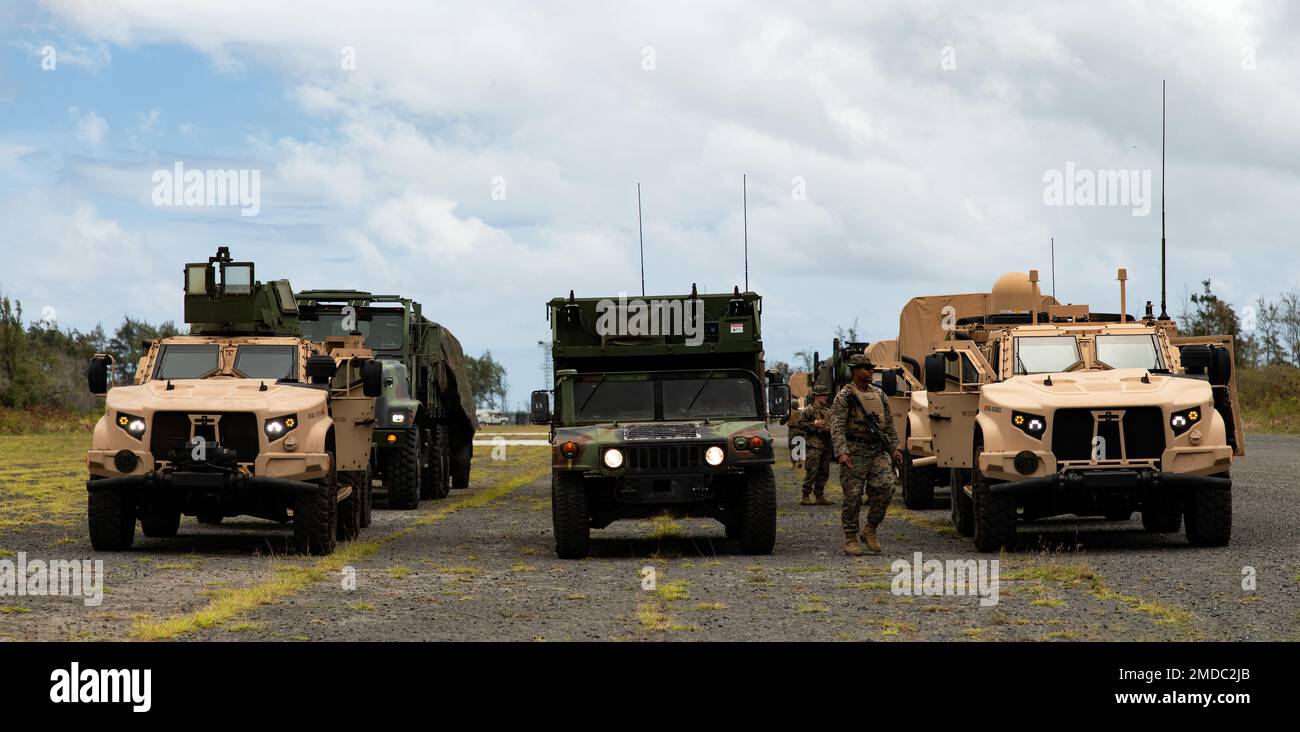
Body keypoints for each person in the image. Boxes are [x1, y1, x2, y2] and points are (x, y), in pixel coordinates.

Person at [830, 354, 903, 556]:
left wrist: (895, 447)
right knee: (852, 496)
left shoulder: (879, 395)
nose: (870, 371)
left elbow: (888, 424)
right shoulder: (844, 396)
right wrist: (842, 452)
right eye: (865, 368)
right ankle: (851, 538)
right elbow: (836, 426)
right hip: (854, 450)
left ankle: (870, 529)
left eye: (871, 368)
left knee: (886, 488)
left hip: (877, 450)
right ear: (854, 371)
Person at [797, 384, 834, 505]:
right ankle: (805, 495)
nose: (825, 397)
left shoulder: (828, 410)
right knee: (812, 471)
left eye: (826, 395)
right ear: (816, 396)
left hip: (826, 446)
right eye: (823, 395)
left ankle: (819, 495)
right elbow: (800, 424)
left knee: (824, 472)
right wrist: (814, 424)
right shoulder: (809, 410)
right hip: (814, 446)